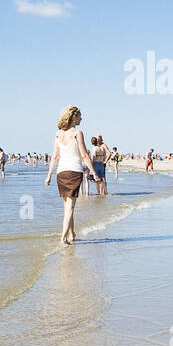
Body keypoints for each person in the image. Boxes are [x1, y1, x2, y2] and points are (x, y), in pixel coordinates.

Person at [45, 105, 99, 244]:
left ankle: (72, 235)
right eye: (80, 116)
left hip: (61, 173)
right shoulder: (77, 133)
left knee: (68, 206)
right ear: (73, 117)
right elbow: (84, 155)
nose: (81, 118)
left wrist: (49, 175)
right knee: (70, 206)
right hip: (74, 171)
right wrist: (94, 173)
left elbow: (55, 156)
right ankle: (63, 237)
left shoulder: (58, 133)